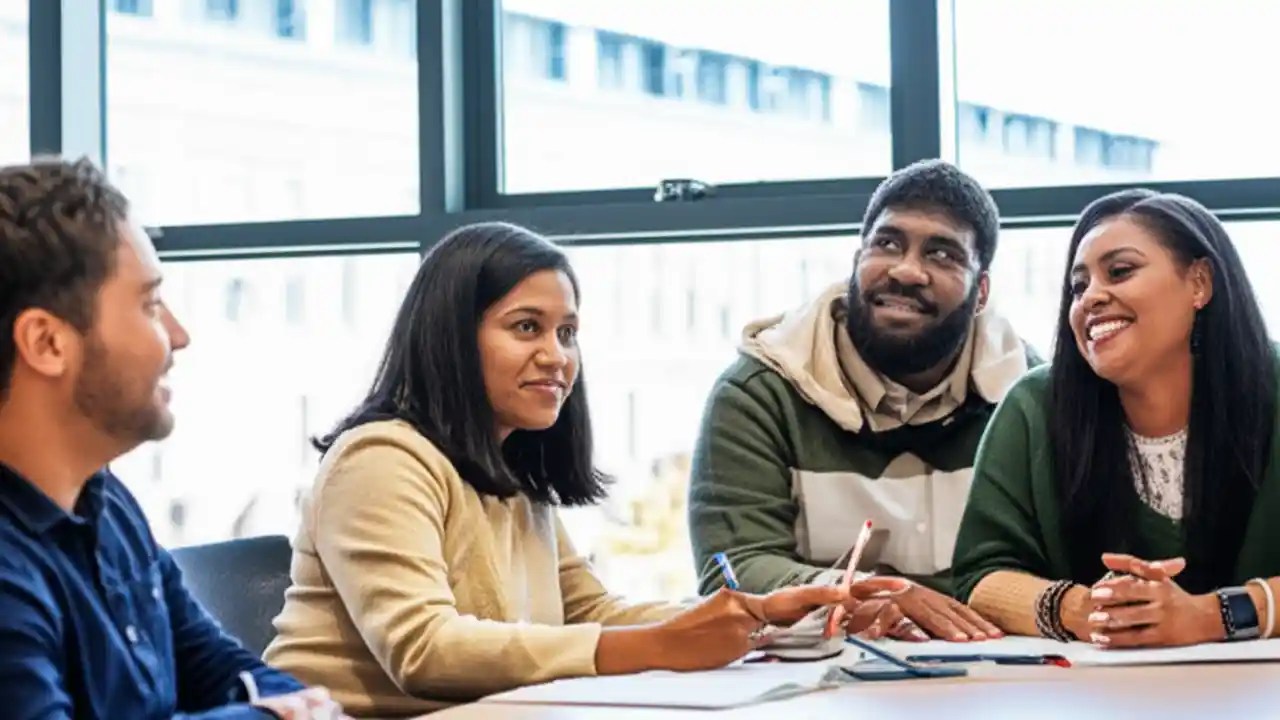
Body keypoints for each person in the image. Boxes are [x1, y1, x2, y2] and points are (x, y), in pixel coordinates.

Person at [263, 222, 905, 716]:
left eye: (567, 333)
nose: (557, 357)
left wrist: (758, 617)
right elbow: (425, 650)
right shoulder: (381, 458)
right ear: (451, 337)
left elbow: (589, 612)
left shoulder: (507, 470)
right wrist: (662, 646)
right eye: (526, 328)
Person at [0, 158, 344, 718]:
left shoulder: (107, 507)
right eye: (150, 305)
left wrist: (300, 707)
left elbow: (212, 664)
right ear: (47, 342)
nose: (178, 337)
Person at [688, 159, 1040, 642]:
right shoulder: (760, 392)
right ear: (857, 260)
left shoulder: (1031, 395)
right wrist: (867, 593)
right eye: (887, 243)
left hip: (1002, 679)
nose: (906, 270)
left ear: (981, 293)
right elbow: (731, 571)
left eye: (942, 255)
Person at [952, 189, 1280, 648]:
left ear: (1200, 282)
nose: (1091, 298)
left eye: (1120, 271)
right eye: (1078, 286)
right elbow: (980, 576)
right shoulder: (1034, 405)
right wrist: (1087, 609)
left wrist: (1210, 615)